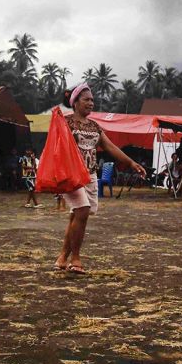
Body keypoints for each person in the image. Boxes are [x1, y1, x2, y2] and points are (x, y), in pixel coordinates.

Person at [53, 83, 146, 275]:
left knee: (77, 216)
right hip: (72, 176)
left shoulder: (95, 127)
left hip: (90, 176)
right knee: (83, 211)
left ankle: (62, 256)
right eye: (86, 99)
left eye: (92, 100)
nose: (91, 103)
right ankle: (75, 259)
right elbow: (56, 149)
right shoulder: (66, 123)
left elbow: (111, 147)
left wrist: (131, 163)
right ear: (75, 102)